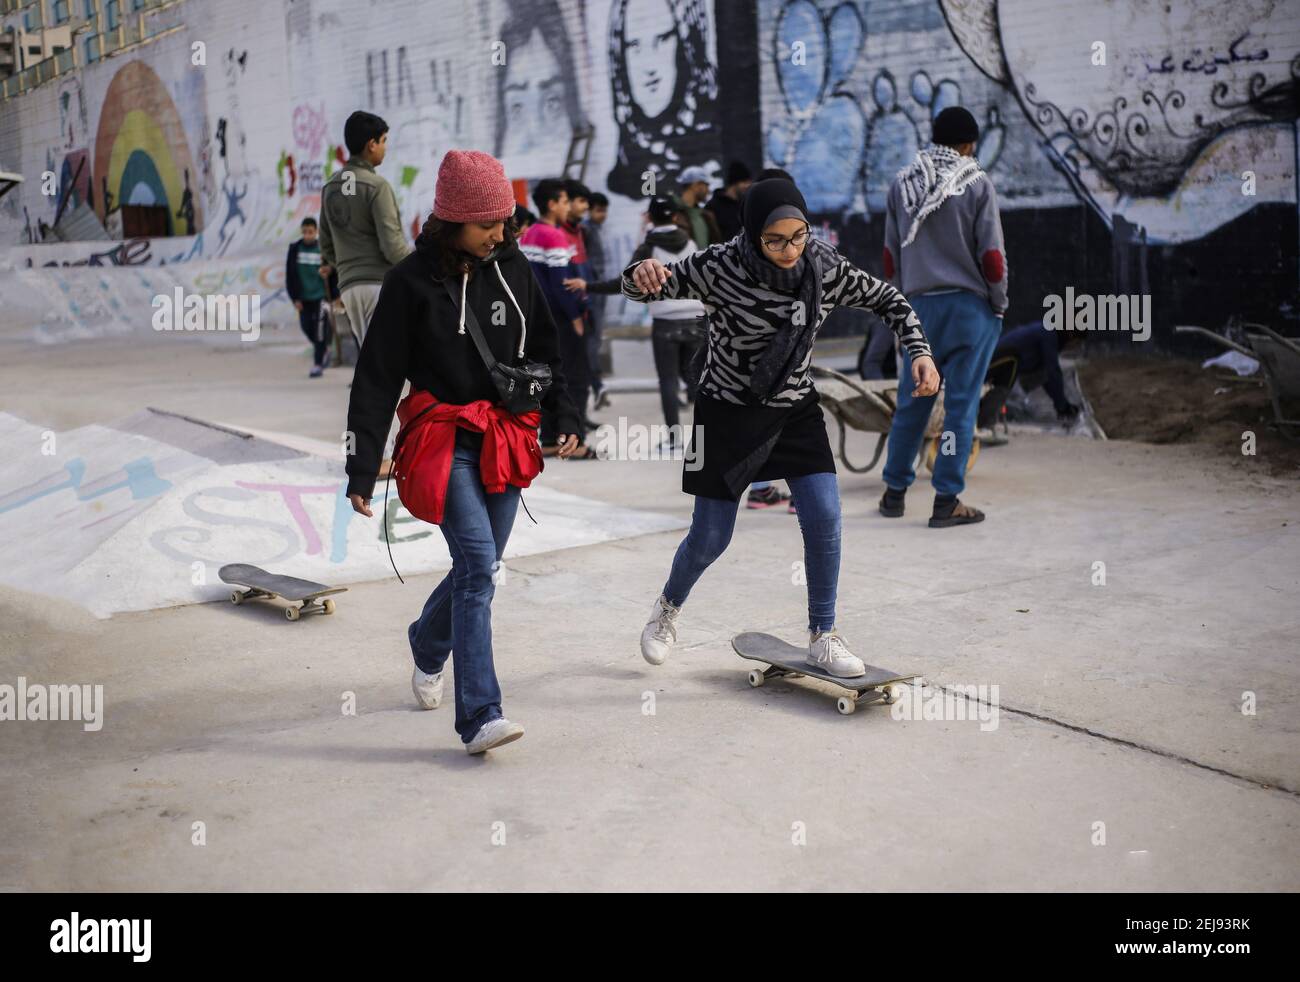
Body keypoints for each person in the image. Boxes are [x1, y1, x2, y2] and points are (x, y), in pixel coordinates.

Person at [623, 178, 939, 676]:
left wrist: (920, 353)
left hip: (794, 408)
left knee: (825, 518)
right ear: (752, 234)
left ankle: (823, 635)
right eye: (775, 240)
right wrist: (640, 271)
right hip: (724, 413)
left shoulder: (822, 265)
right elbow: (644, 286)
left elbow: (889, 301)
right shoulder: (718, 266)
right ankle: (666, 610)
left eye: (798, 236)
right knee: (710, 538)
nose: (790, 250)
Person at [344, 150, 585, 754]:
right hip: (444, 437)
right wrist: (360, 463)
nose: (500, 234)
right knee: (478, 567)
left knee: (482, 567)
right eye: (488, 225)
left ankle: (426, 643)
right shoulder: (409, 283)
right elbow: (375, 377)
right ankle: (480, 714)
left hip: (503, 435)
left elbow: (549, 351)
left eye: (504, 222)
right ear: (453, 221)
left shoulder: (513, 267)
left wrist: (564, 417)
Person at [879, 106, 1007, 528]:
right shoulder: (975, 181)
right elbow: (992, 258)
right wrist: (999, 303)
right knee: (960, 406)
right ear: (968, 145)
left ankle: (894, 493)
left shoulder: (902, 183)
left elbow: (889, 258)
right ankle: (947, 500)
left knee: (911, 402)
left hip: (917, 309)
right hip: (970, 310)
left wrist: (900, 311)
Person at [568, 196, 704, 441]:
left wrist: (588, 285)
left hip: (665, 322)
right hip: (695, 318)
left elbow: (624, 283)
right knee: (698, 381)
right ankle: (706, 438)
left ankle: (674, 439)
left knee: (668, 381)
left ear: (650, 218)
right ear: (675, 217)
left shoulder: (647, 248)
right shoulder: (691, 242)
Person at [319, 111, 411, 346]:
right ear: (371, 145)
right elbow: (392, 247)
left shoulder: (330, 187)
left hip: (350, 290)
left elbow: (326, 245)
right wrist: (420, 266)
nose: (385, 148)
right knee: (391, 367)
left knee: (372, 362)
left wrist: (346, 265)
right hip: (380, 286)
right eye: (383, 141)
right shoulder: (376, 186)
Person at [520, 178, 598, 458]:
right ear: (552, 205)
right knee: (575, 379)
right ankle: (574, 441)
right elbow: (561, 283)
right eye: (565, 201)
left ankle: (551, 438)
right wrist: (576, 316)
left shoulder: (528, 235)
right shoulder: (553, 236)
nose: (567, 207)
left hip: (538, 317)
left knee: (549, 377)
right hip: (561, 319)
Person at [977, 320, 1080, 438]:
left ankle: (982, 420)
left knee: (1005, 384)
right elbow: (1053, 371)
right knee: (1003, 386)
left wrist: (1061, 404)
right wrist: (1063, 406)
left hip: (1006, 357)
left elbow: (1047, 378)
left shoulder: (1046, 332)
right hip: (1006, 357)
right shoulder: (1048, 333)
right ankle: (984, 425)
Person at [285, 217, 339, 377]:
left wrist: (329, 270)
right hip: (303, 298)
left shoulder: (323, 250)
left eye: (310, 232)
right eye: (305, 232)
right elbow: (290, 275)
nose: (307, 235)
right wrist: (295, 298)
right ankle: (325, 348)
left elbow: (334, 268)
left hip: (321, 297)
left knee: (320, 329)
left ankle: (317, 364)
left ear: (316, 232)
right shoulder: (295, 249)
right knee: (306, 327)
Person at [584, 191, 612, 410]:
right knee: (591, 343)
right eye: (598, 210)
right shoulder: (586, 230)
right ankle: (597, 385)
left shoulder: (597, 229)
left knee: (594, 341)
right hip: (592, 292)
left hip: (599, 291)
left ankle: (597, 387)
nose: (602, 215)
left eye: (604, 211)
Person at [675, 165, 722, 249]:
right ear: (695, 185)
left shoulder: (706, 216)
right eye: (706, 185)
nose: (708, 190)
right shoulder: (673, 215)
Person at [705, 161, 752, 240]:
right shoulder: (713, 206)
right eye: (745, 182)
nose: (748, 186)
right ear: (735, 183)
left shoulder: (745, 205)